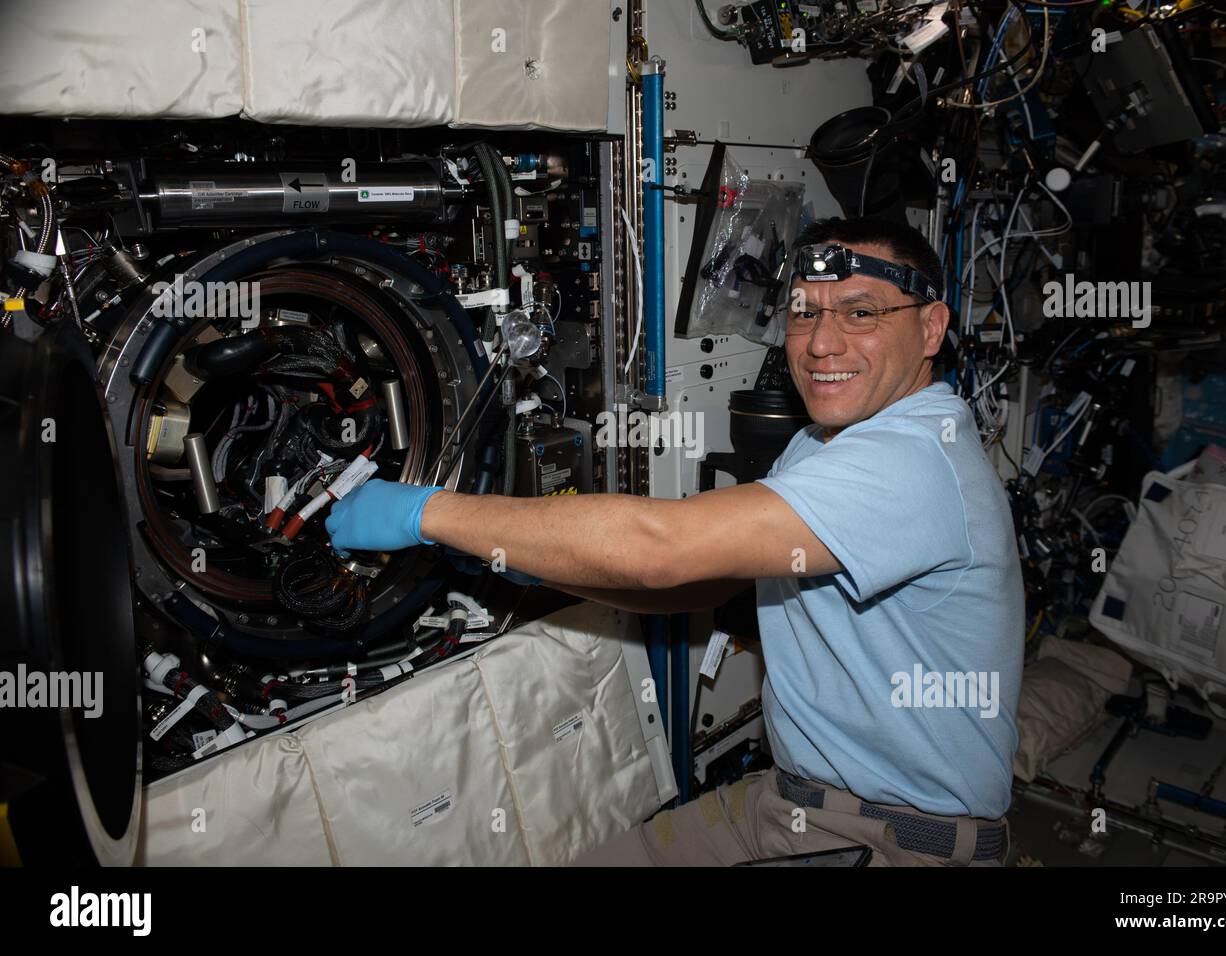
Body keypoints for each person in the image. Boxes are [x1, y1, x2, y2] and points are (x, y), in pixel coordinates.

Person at [326, 216, 1024, 867]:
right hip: (794, 802)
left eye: (862, 313)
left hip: (896, 839)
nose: (821, 343)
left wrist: (430, 512)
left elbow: (661, 547)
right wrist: (512, 559)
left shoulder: (912, 461)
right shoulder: (824, 445)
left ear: (932, 328)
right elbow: (700, 584)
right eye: (804, 311)